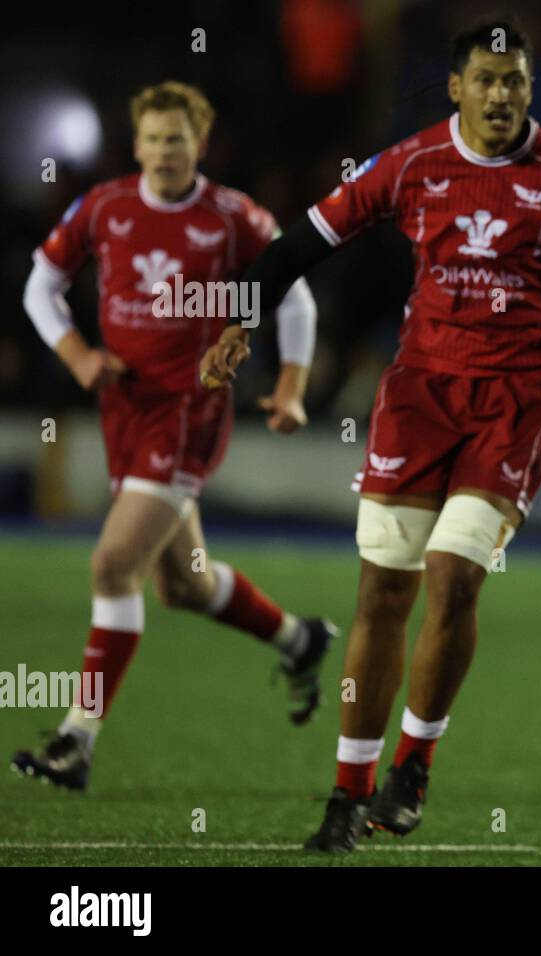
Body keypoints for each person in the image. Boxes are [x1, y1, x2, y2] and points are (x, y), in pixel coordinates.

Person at [199, 18, 541, 852]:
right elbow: (305, 239)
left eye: (515, 80)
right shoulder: (411, 164)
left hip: (518, 401)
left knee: (453, 573)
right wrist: (239, 319)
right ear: (456, 86)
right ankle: (347, 793)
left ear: (530, 90)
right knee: (381, 594)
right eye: (486, 79)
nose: (501, 94)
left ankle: (415, 764)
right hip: (418, 398)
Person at [12, 80, 332, 792]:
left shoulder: (230, 217)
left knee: (111, 564)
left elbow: (297, 294)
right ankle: (299, 638)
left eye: (177, 139)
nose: (164, 151)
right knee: (182, 585)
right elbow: (41, 283)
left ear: (200, 145)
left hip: (188, 412)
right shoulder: (106, 207)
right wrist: (79, 357)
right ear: (136, 145)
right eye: (154, 138)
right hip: (124, 409)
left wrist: (290, 389)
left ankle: (75, 738)